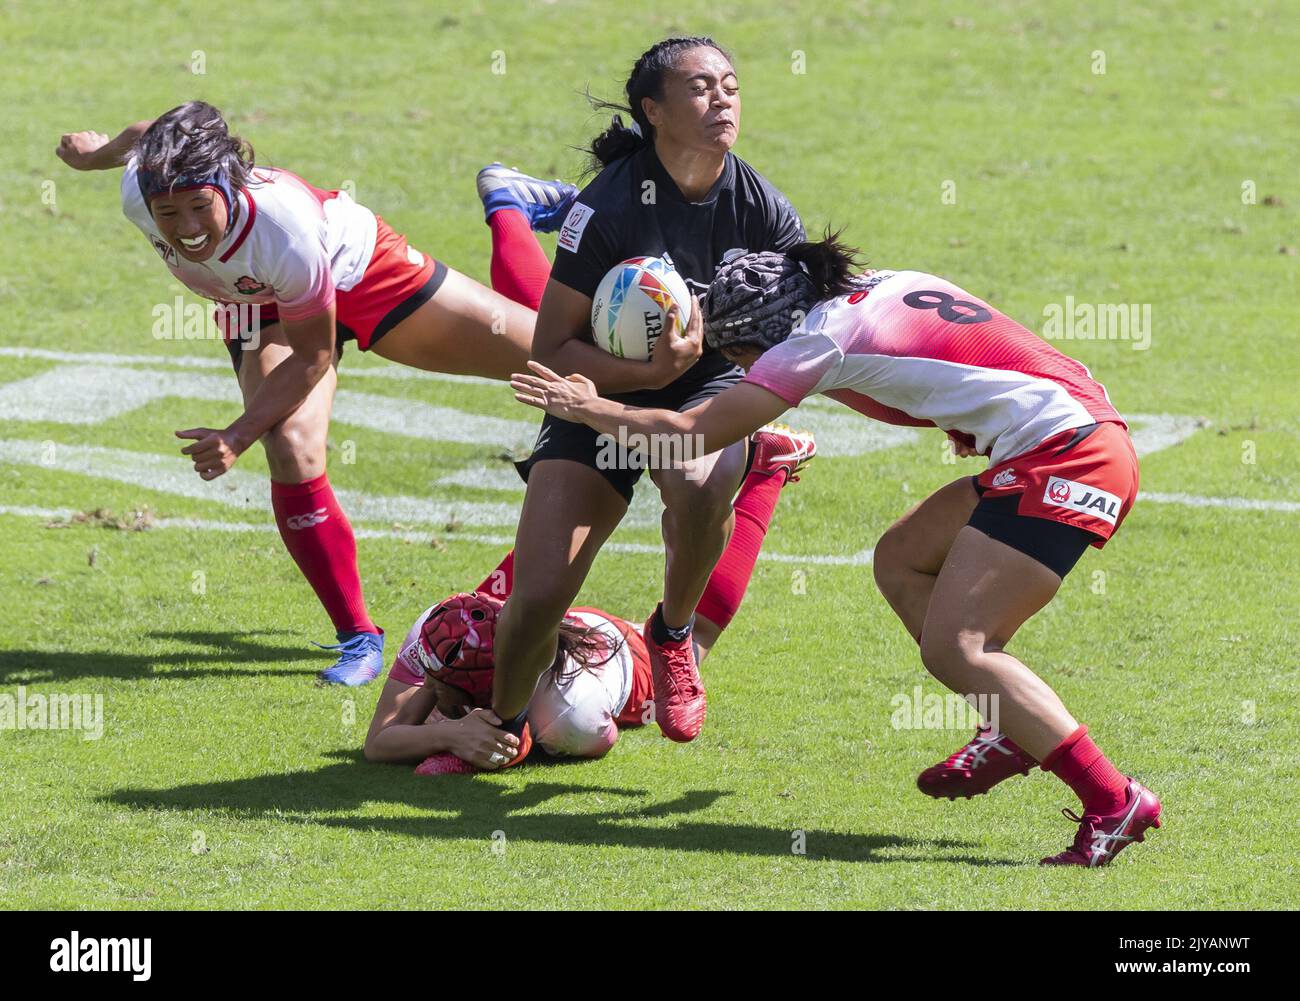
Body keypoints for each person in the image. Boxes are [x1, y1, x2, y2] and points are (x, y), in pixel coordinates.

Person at [511, 236, 1163, 867]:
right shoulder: (870, 288)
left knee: (957, 646)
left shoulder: (812, 344)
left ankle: (1113, 799)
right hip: (1074, 431)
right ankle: (1011, 725)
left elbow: (690, 434)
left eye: (738, 358)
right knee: (902, 558)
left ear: (756, 341)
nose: (741, 372)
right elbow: (955, 359)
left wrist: (588, 405)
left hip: (1067, 459)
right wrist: (975, 418)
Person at [55, 102, 575, 685]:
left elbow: (314, 354)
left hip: (359, 270)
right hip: (262, 308)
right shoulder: (140, 191)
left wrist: (236, 434)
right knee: (293, 446)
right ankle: (357, 636)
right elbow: (143, 136)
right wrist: (91, 158)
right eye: (168, 213)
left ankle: (507, 204)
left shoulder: (282, 227)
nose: (186, 228)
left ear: (229, 185)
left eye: (200, 206)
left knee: (555, 358)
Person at [484, 37, 810, 751]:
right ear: (653, 111)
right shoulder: (606, 210)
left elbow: (793, 342)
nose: (720, 98)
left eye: (729, 84)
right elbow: (552, 354)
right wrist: (647, 375)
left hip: (708, 385)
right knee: (536, 597)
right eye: (699, 88)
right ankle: (500, 726)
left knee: (694, 478)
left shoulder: (764, 212)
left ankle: (672, 632)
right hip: (599, 383)